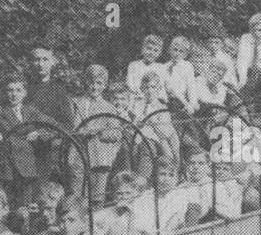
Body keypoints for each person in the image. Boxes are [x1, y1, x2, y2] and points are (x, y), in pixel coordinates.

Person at [0, 74, 42, 217]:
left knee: (25, 209)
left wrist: (39, 133)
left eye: (18, 90)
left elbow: (54, 127)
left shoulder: (31, 111)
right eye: (10, 90)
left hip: (27, 167)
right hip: (6, 167)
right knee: (5, 207)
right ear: (4, 93)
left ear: (24, 93)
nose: (14, 94)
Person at [69, 64, 121, 206]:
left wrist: (99, 132)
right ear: (86, 82)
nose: (94, 87)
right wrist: (81, 131)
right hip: (78, 154)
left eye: (99, 83)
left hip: (99, 156)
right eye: (91, 82)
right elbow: (70, 126)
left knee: (97, 197)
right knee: (77, 194)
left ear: (104, 85)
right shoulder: (76, 103)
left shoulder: (109, 107)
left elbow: (116, 133)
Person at [25, 45, 74, 184]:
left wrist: (43, 134)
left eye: (45, 59)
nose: (40, 64)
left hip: (48, 152)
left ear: (52, 62)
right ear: (31, 63)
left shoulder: (59, 91)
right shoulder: (22, 90)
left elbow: (68, 125)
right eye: (36, 60)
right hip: (22, 150)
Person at [93, 171, 149, 235]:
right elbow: (89, 221)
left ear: (135, 193)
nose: (124, 197)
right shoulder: (108, 212)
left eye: (128, 193)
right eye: (119, 193)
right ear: (114, 195)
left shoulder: (140, 213)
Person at [126, 34, 167, 119]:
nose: (151, 53)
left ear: (159, 53)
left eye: (155, 50)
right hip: (138, 100)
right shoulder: (134, 65)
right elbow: (131, 86)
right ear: (142, 49)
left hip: (156, 101)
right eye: (148, 49)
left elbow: (160, 87)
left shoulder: (160, 67)